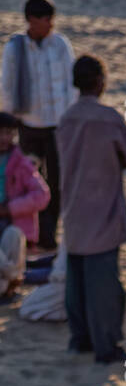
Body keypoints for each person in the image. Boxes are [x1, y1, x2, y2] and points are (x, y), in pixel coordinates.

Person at [56, 55, 126, 364]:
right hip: (103, 209)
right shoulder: (108, 118)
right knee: (103, 283)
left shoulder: (66, 118)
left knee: (76, 279)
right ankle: (107, 347)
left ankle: (80, 340)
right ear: (101, 82)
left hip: (74, 208)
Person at [0, 0, 73, 251]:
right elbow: (7, 85)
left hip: (57, 126)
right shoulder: (15, 48)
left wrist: (69, 118)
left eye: (51, 19)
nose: (50, 24)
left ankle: (49, 235)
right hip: (28, 126)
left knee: (56, 182)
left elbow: (69, 84)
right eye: (45, 19)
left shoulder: (61, 45)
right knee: (29, 181)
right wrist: (8, 123)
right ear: (31, 20)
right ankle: (31, 235)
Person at [0, 110, 50, 297]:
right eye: (1, 133)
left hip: (12, 225)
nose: (5, 138)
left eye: (9, 133)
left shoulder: (21, 163)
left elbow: (42, 195)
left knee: (13, 235)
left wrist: (9, 209)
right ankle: (14, 276)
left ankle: (10, 280)